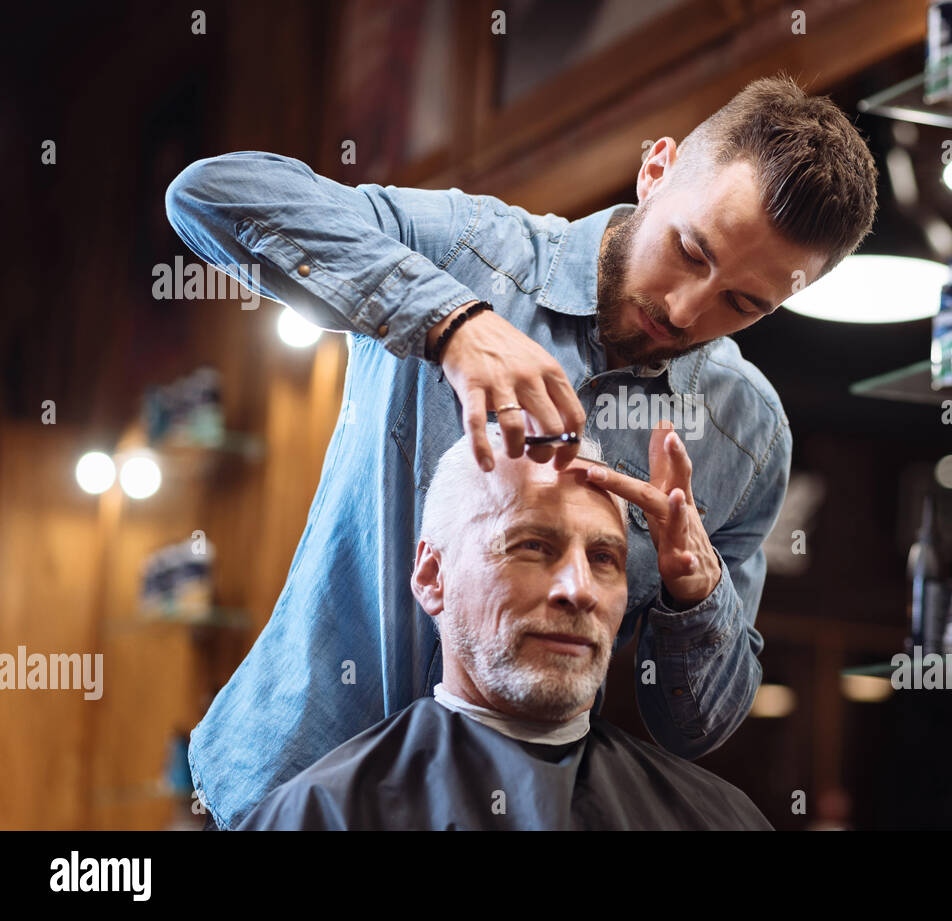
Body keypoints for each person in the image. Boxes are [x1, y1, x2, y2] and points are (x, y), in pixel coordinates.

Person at [165, 73, 877, 829]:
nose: (685, 309)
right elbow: (211, 193)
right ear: (656, 169)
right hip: (283, 791)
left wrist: (694, 596)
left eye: (744, 304)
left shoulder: (747, 433)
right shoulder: (467, 252)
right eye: (690, 251)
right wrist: (448, 321)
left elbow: (695, 727)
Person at [238, 425, 771, 830]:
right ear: (432, 577)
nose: (579, 590)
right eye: (533, 547)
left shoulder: (716, 817)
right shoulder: (324, 813)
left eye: (605, 558)